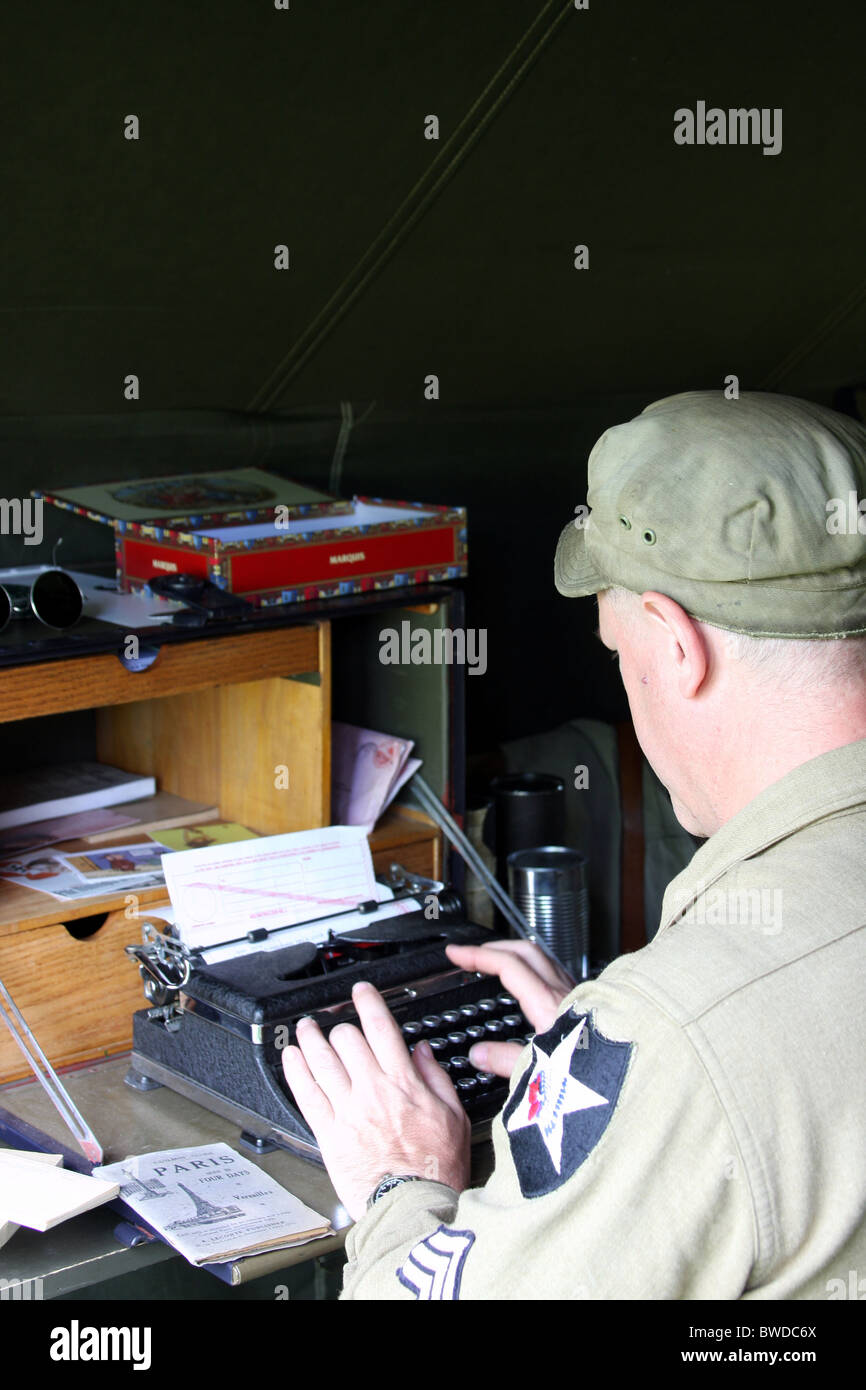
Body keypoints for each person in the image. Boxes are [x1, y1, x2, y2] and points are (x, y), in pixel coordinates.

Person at [283, 390, 866, 1299]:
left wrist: (399, 1185)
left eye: (618, 652)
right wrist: (623, 1091)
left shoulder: (683, 1033)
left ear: (676, 646)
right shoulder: (679, 1039)